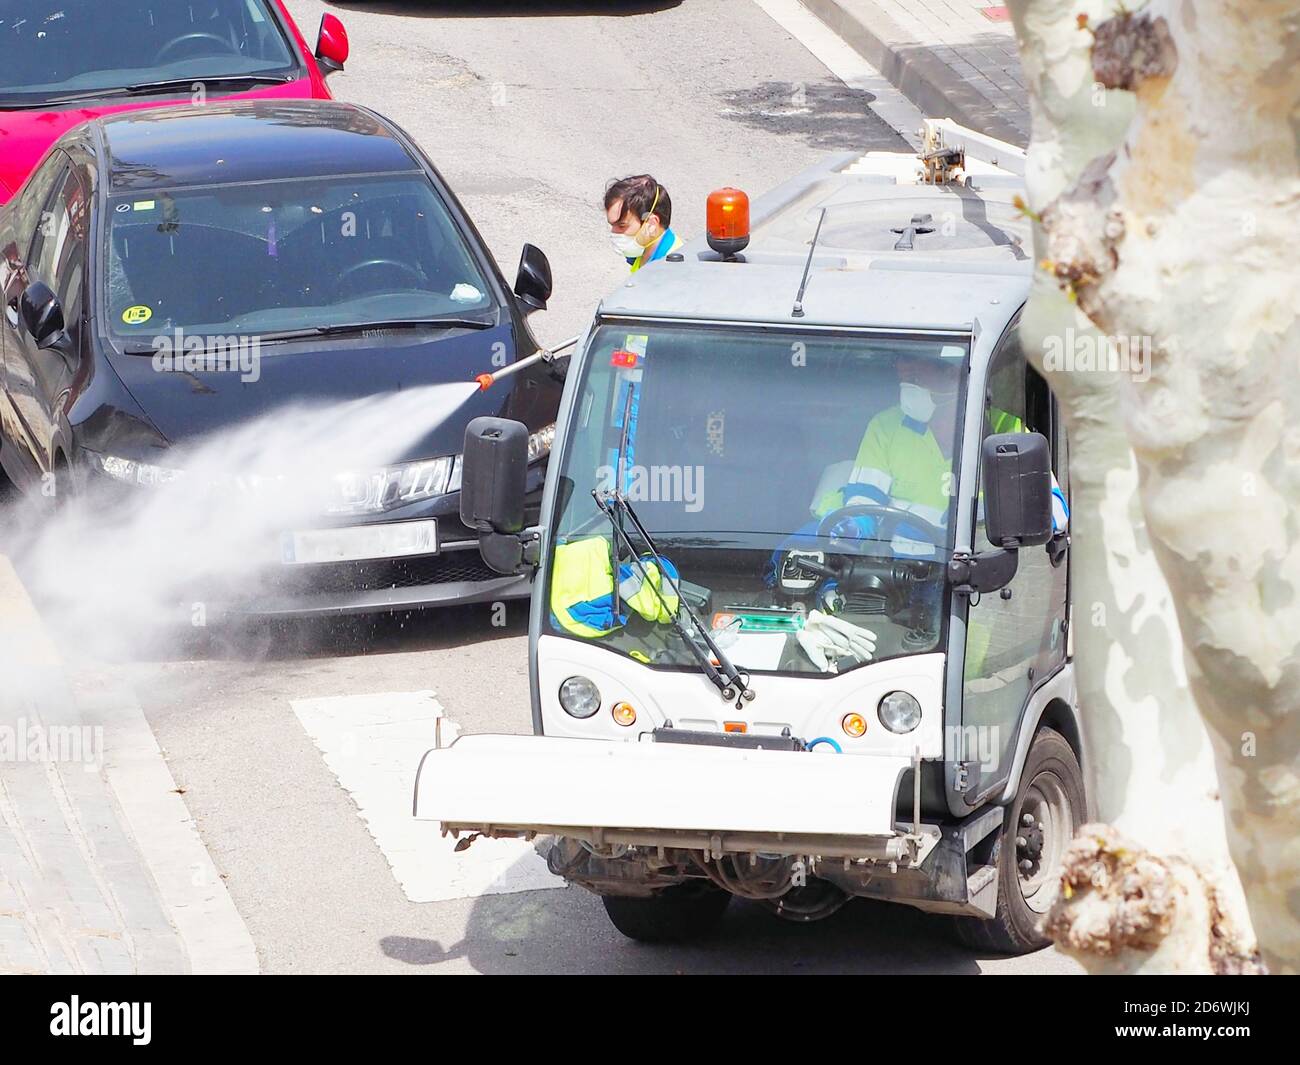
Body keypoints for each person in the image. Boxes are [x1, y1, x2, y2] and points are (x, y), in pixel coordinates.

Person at [604, 175, 683, 273]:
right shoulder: (642, 250)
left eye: (622, 226)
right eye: (612, 225)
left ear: (651, 224)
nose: (614, 232)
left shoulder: (670, 271)